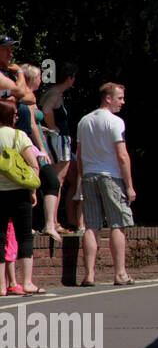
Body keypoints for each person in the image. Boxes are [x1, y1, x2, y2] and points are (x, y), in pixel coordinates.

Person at [77, 83, 136, 286]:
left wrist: (81, 177)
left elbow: (80, 155)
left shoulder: (84, 122)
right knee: (117, 224)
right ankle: (120, 273)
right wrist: (129, 186)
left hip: (89, 176)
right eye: (120, 98)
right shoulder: (115, 122)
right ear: (108, 98)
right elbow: (122, 156)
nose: (123, 102)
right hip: (111, 176)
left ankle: (89, 274)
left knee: (91, 226)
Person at [0, 96, 45, 295]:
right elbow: (34, 165)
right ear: (12, 116)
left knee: (0, 238)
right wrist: (33, 190)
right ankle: (27, 282)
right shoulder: (20, 137)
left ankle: (1, 285)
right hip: (19, 192)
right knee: (25, 236)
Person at [17, 64, 64, 241]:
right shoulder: (26, 98)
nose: (41, 80)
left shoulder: (32, 97)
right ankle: (48, 225)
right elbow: (30, 125)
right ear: (31, 78)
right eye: (39, 76)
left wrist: (44, 129)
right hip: (32, 147)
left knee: (41, 184)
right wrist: (42, 149)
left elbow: (35, 124)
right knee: (50, 181)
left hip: (37, 143)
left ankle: (43, 224)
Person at [39, 62, 79, 234]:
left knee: (64, 180)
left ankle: (57, 219)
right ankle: (53, 221)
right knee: (58, 181)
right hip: (59, 141)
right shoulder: (55, 93)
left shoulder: (54, 92)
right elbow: (46, 110)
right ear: (69, 78)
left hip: (58, 142)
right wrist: (53, 127)